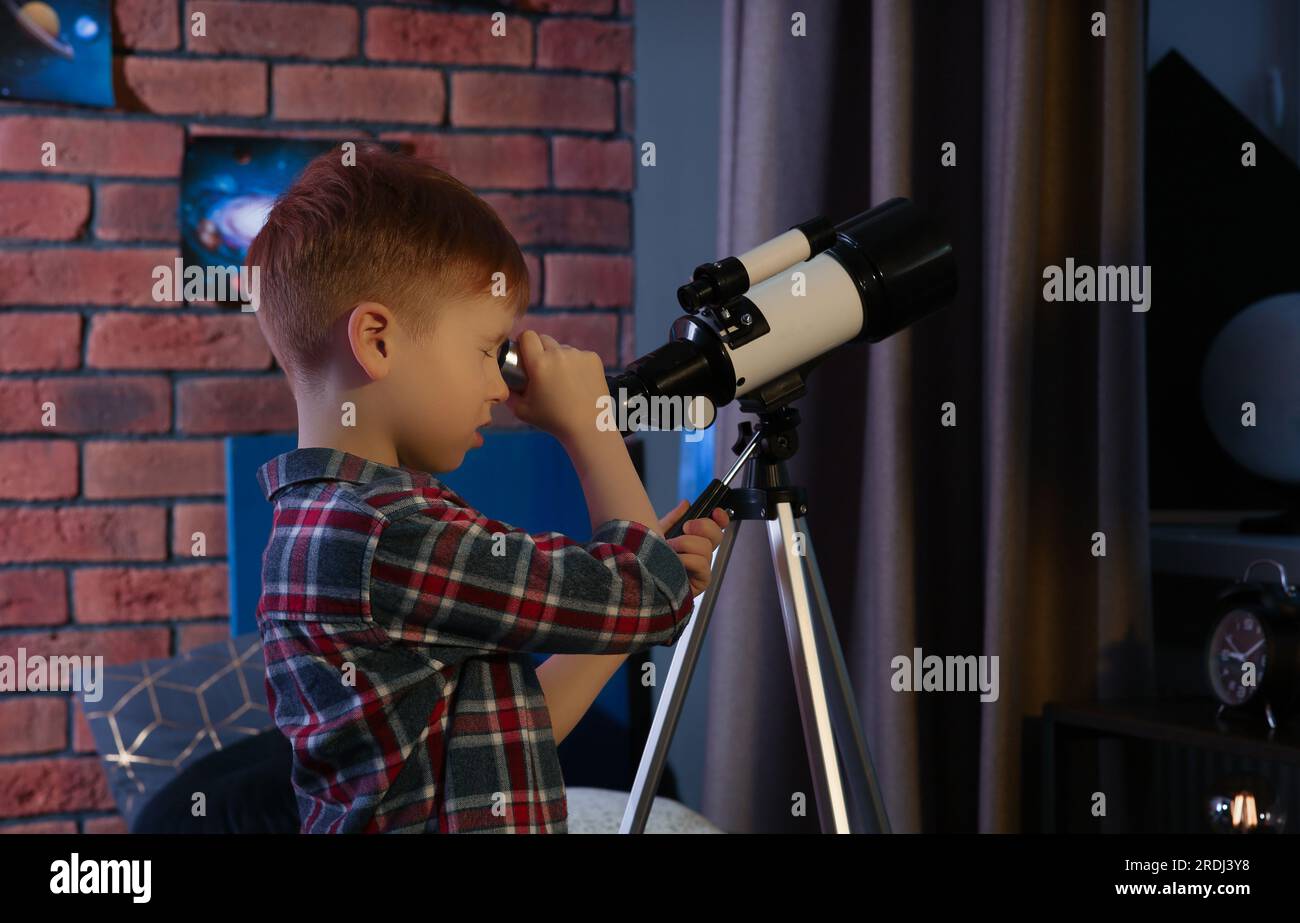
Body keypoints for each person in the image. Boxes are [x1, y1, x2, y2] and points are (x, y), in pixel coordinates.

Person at [248, 142, 728, 833]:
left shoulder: (331, 522)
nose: (499, 385)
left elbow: (503, 735)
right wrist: (591, 427)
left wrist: (631, 599)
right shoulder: (385, 532)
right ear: (377, 340)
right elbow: (645, 596)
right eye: (485, 349)